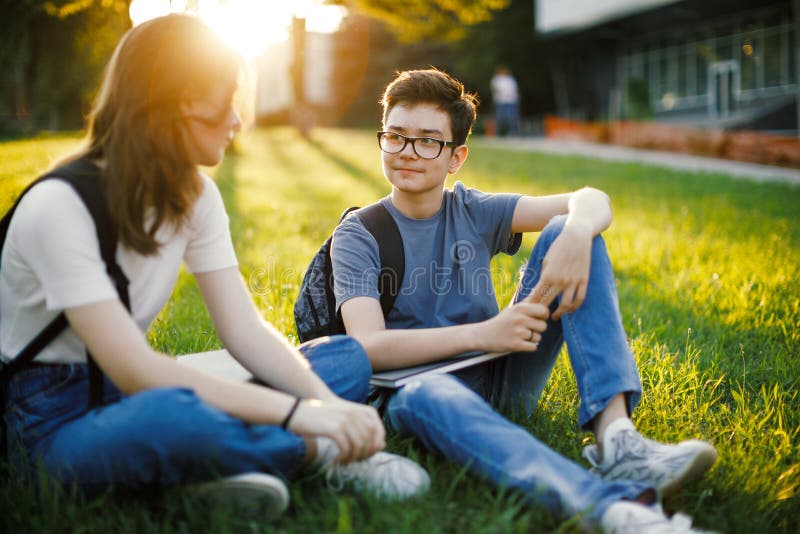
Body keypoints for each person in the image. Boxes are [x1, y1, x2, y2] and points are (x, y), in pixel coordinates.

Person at [0, 15, 429, 519]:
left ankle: (201, 472)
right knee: (173, 417)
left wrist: (322, 402)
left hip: (127, 392)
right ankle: (320, 454)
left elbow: (244, 330)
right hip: (46, 421)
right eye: (224, 99)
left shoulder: (194, 195)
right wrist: (309, 420)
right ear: (177, 103)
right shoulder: (60, 206)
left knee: (345, 362)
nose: (237, 119)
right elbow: (135, 370)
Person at [330, 68, 718, 532]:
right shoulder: (358, 234)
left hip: (502, 376)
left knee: (567, 229)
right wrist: (484, 333)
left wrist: (575, 232)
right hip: (415, 391)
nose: (408, 152)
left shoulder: (472, 210)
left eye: (428, 141)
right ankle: (616, 512)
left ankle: (618, 440)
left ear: (456, 157)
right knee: (426, 393)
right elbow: (367, 346)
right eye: (396, 136)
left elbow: (592, 199)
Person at [490, 65, 521, 136]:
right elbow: (495, 89)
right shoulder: (496, 79)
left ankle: (513, 133)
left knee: (512, 118)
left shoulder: (510, 79)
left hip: (511, 101)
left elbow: (514, 90)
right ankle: (498, 133)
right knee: (500, 118)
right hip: (500, 101)